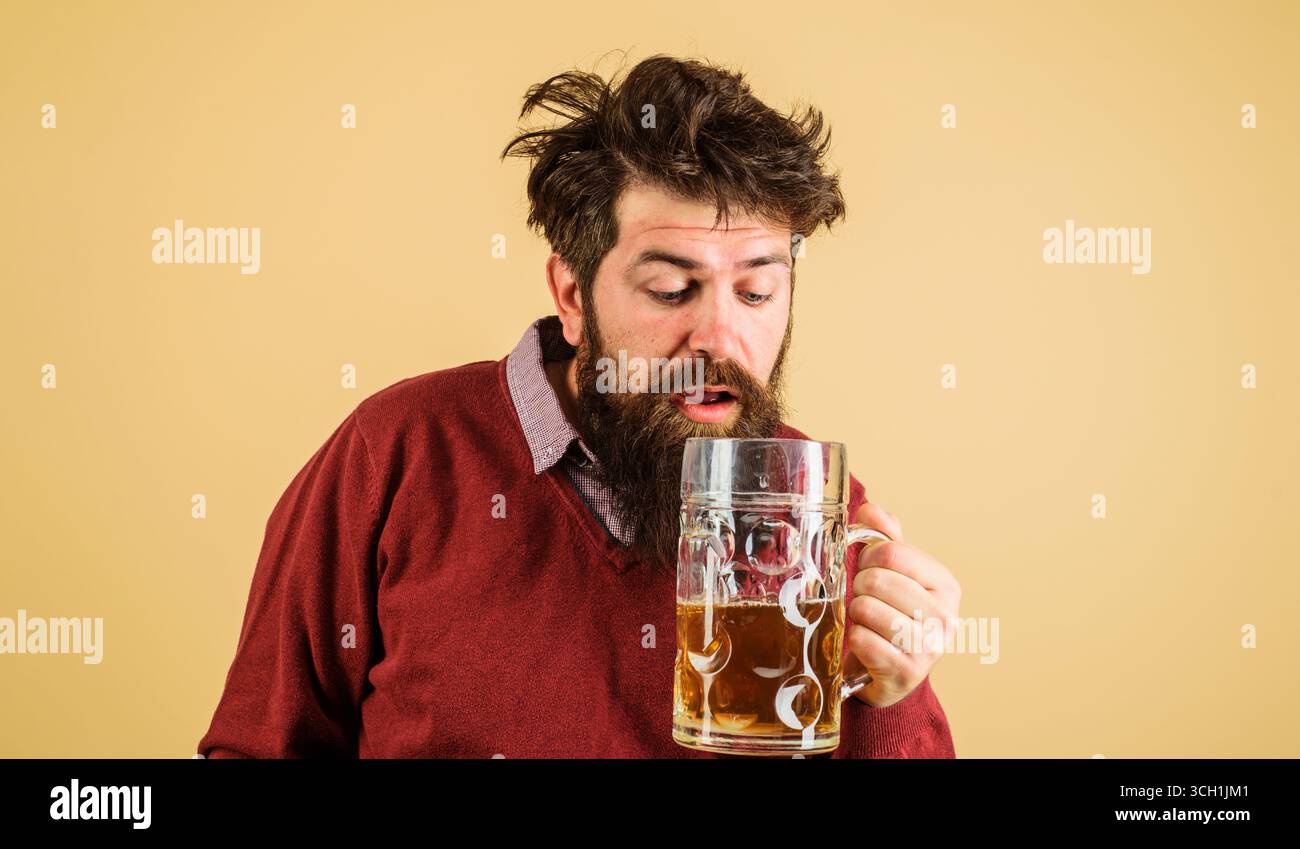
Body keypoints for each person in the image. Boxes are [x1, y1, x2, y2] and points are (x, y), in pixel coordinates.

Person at [197, 54, 959, 758]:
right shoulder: (394, 453)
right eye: (670, 289)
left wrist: (889, 693)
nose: (721, 335)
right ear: (571, 293)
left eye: (757, 290)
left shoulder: (811, 511)